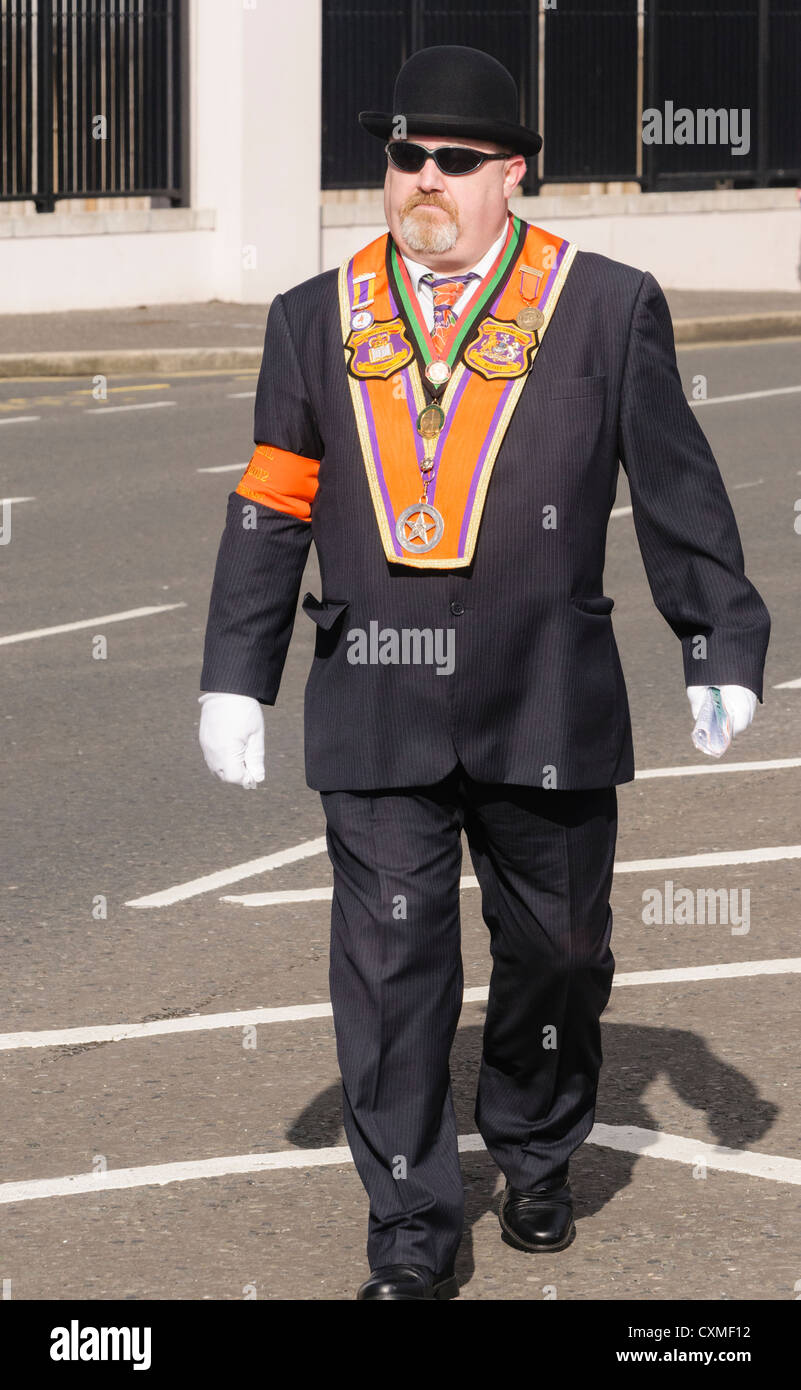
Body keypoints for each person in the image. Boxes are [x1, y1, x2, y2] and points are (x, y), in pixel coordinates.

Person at [198, 46, 770, 1300]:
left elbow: (675, 487)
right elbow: (272, 498)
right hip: (377, 696)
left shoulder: (607, 305)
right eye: (406, 156)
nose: (425, 181)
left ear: (513, 174)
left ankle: (536, 1137)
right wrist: (236, 671)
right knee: (391, 962)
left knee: (560, 953)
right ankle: (410, 1223)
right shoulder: (314, 316)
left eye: (457, 160)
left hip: (546, 692)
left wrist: (716, 638)